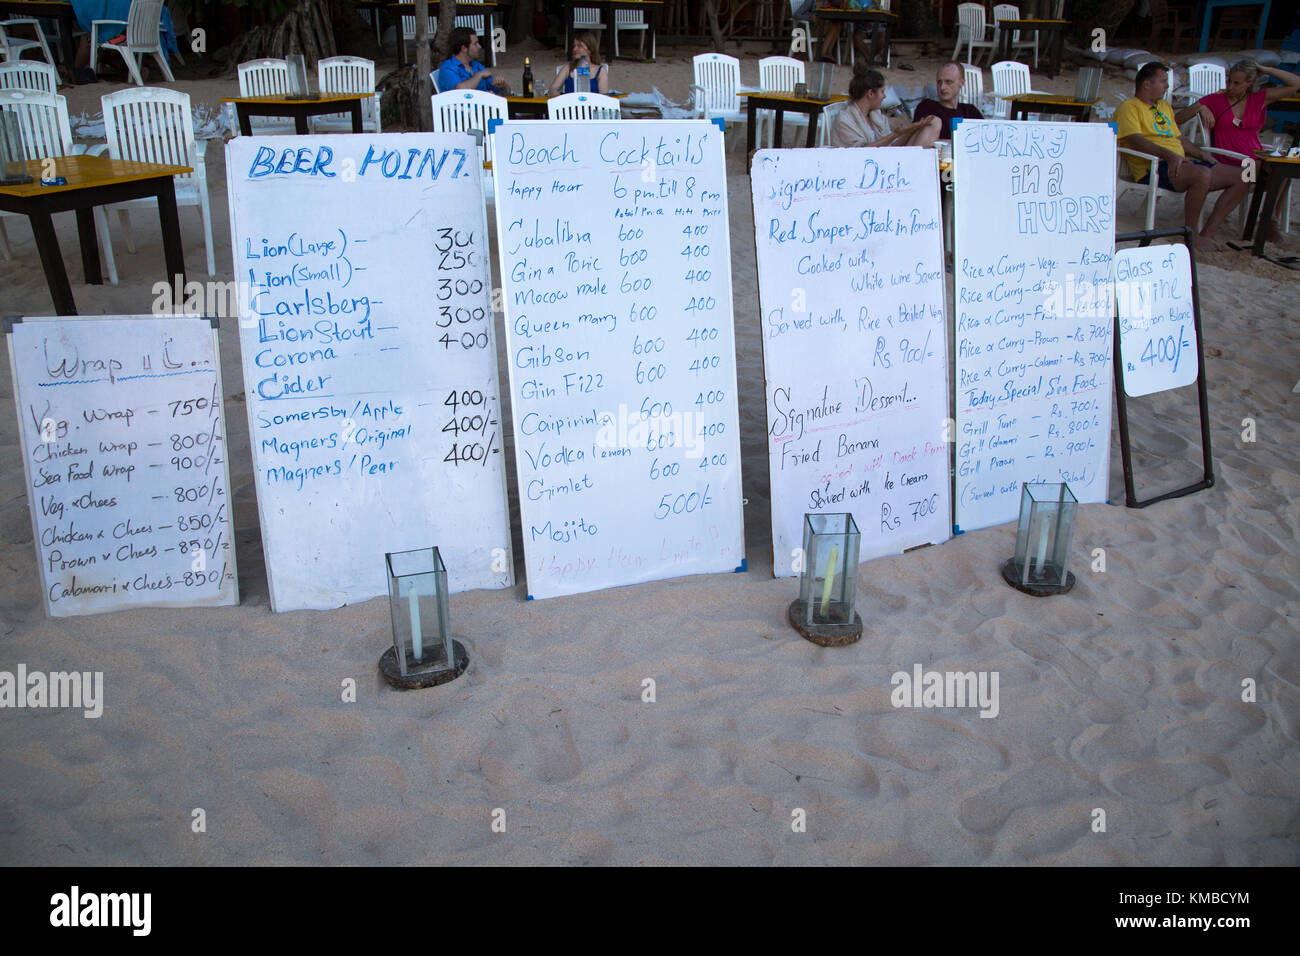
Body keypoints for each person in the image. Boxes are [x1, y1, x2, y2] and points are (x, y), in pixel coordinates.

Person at [1117, 62, 1250, 250]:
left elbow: (1179, 139)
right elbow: (1135, 140)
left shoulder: (1163, 106)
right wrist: (1169, 156)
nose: (1167, 86)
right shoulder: (1129, 107)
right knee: (1201, 174)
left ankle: (1208, 233)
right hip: (1154, 166)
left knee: (1244, 175)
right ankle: (1191, 234)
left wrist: (1203, 154)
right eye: (1163, 81)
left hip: (1180, 163)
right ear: (1147, 84)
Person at [1194, 59, 1300, 241]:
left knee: (1285, 168)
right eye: (1229, 81)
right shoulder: (1216, 99)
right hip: (1230, 160)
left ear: (1249, 83)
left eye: (1236, 83)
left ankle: (1270, 219)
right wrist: (1200, 106)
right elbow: (1178, 117)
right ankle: (1267, 222)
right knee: (1274, 170)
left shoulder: (1258, 99)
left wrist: (1266, 69)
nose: (1230, 86)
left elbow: (1296, 84)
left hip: (1253, 159)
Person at [831, 65, 940, 148]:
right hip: (860, 170)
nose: (884, 96)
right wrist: (895, 134)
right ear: (870, 94)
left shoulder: (876, 116)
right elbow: (861, 154)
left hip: (884, 163)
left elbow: (891, 148)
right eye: (882, 92)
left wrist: (912, 129)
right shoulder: (845, 120)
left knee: (934, 122)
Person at [912, 62, 983, 139]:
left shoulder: (971, 111)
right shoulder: (927, 107)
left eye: (948, 82)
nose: (942, 87)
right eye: (939, 82)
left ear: (961, 83)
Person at [435, 27, 509, 94]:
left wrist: (502, 85)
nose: (479, 46)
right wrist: (479, 75)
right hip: (462, 108)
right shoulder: (448, 67)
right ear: (464, 48)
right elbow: (460, 91)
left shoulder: (476, 65)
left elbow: (504, 91)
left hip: (485, 107)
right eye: (475, 44)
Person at [813, 0, 886, 66]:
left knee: (882, 38)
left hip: (876, 26)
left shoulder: (873, 1)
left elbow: (879, 10)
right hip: (862, 27)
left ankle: (870, 58)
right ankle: (869, 59)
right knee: (856, 37)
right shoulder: (853, 2)